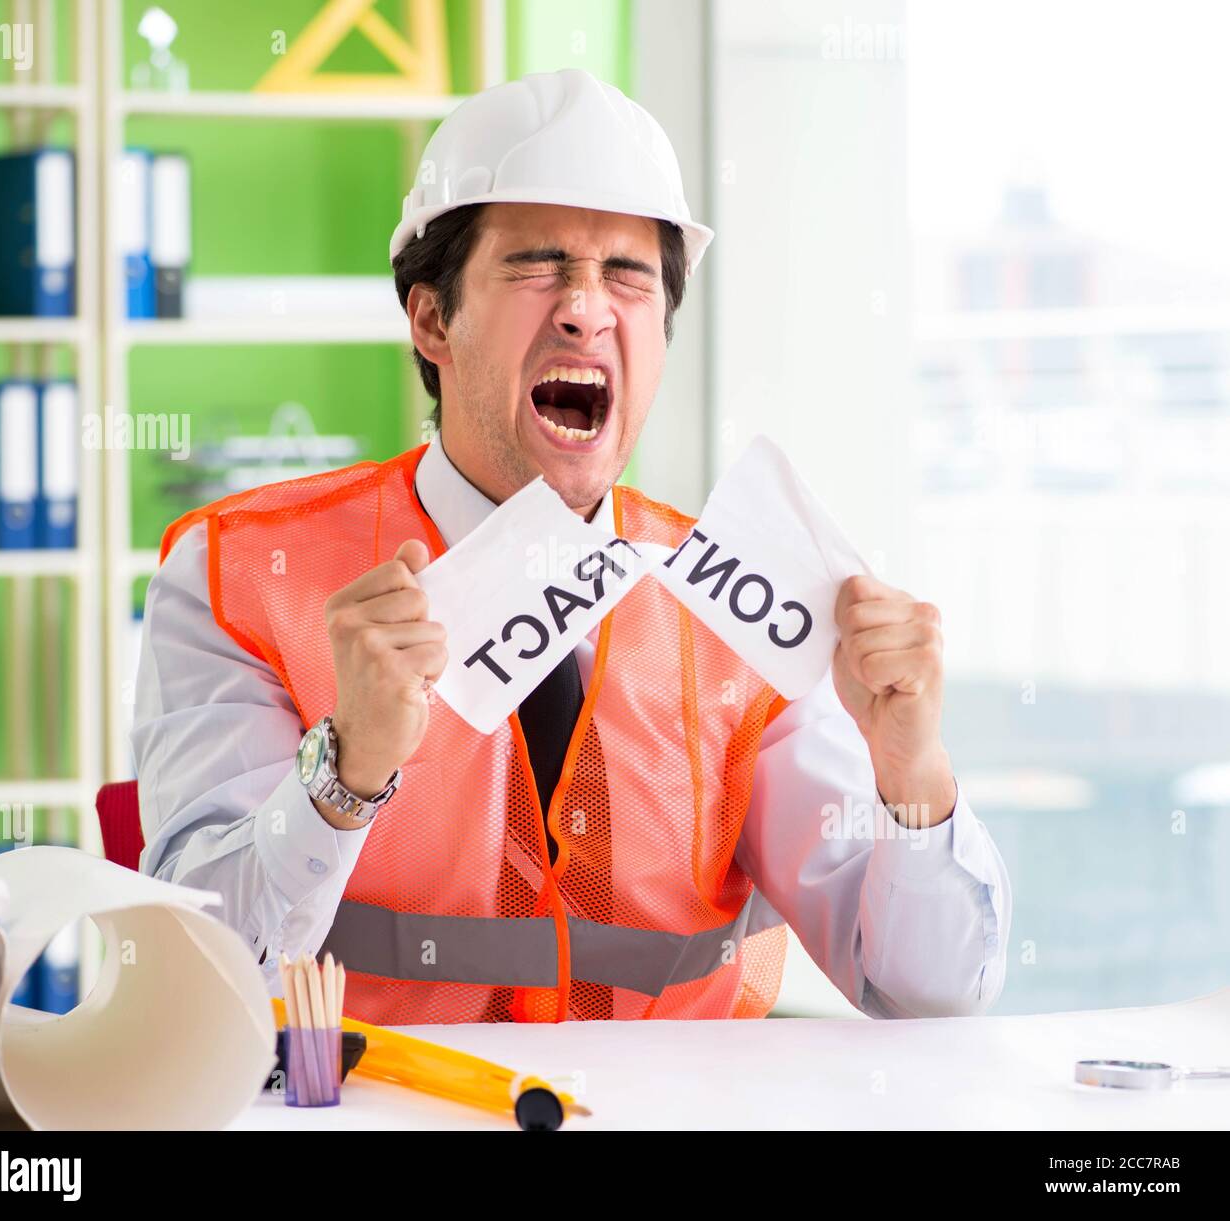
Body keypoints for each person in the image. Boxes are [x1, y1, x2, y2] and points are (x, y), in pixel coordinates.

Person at [133, 68, 1010, 1024]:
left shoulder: (737, 606)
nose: (587, 308)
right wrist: (345, 772)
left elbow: (926, 993)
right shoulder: (242, 579)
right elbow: (199, 974)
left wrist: (910, 773)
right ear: (432, 319)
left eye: (628, 275)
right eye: (538, 264)